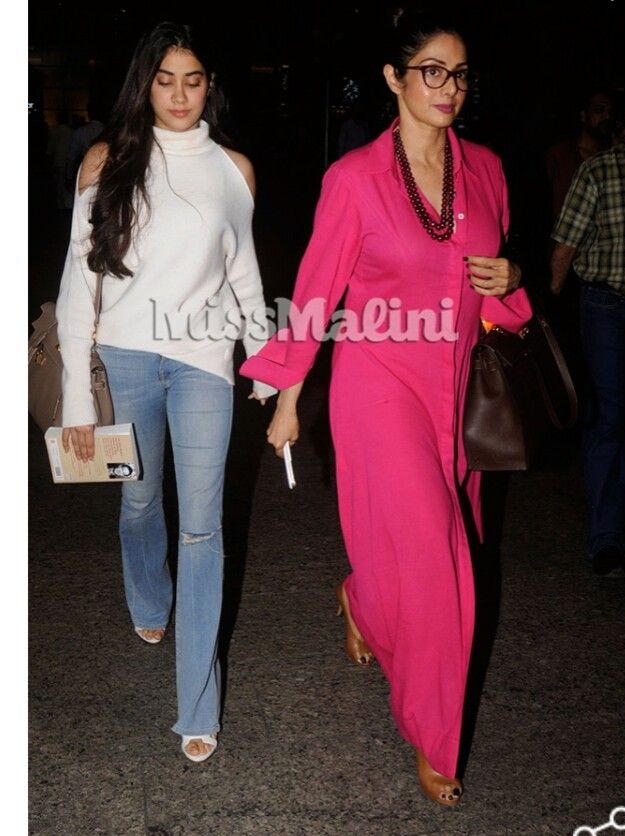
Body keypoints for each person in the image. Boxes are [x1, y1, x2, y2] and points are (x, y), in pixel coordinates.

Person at [241, 13, 531, 805]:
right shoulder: (357, 178)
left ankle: (360, 599)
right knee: (443, 567)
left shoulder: (487, 172)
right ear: (394, 79)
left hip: (460, 394)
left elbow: (501, 301)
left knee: (438, 546)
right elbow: (315, 290)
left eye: (460, 73)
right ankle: (434, 734)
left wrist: (510, 282)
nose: (448, 87)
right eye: (431, 71)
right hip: (378, 387)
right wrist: (287, 398)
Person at [55, 21, 276, 762]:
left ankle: (196, 707)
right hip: (123, 355)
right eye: (165, 79)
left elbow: (243, 272)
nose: (180, 94)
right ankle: (148, 594)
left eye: (194, 79)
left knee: (203, 528)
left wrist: (266, 358)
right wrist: (78, 404)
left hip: (204, 363)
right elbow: (78, 285)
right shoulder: (106, 160)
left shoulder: (233, 169)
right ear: (143, 84)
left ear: (210, 84)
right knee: (141, 498)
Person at [549, 79, 625, 577]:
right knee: (612, 418)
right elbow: (566, 246)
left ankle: (618, 505)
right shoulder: (600, 171)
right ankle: (606, 540)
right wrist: (547, 310)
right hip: (608, 310)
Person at [545, 87, 616, 223]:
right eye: (599, 110)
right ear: (584, 115)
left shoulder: (615, 157)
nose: (606, 117)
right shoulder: (559, 155)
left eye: (610, 112)